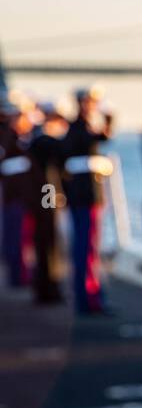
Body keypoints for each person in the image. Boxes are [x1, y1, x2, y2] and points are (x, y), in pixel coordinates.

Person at [60, 84, 113, 315]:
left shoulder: (76, 129)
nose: (93, 106)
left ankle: (90, 297)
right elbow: (98, 139)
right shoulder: (79, 129)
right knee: (87, 248)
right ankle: (88, 298)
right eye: (90, 102)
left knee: (86, 248)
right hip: (86, 197)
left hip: (84, 196)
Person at [25, 100, 67, 305]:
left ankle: (47, 287)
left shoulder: (36, 138)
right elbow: (50, 174)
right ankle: (48, 288)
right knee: (48, 242)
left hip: (42, 197)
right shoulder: (44, 140)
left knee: (45, 243)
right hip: (46, 198)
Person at [0, 94, 33, 289]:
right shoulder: (6, 136)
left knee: (20, 236)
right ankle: (18, 275)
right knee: (15, 236)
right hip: (13, 195)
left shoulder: (20, 137)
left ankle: (21, 273)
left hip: (22, 196)